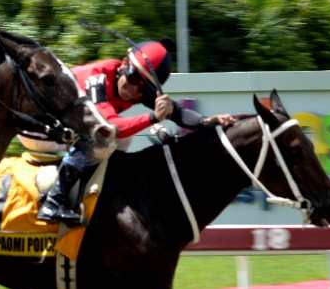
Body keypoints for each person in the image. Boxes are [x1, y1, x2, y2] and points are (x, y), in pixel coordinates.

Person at [35, 40, 229, 226]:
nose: (135, 90)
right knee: (103, 140)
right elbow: (112, 127)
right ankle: (53, 201)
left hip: (68, 128)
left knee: (119, 140)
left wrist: (205, 121)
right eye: (134, 78)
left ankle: (99, 195)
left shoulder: (137, 86)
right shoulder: (98, 77)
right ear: (124, 64)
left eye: (145, 88)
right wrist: (153, 118)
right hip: (39, 129)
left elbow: (178, 113)